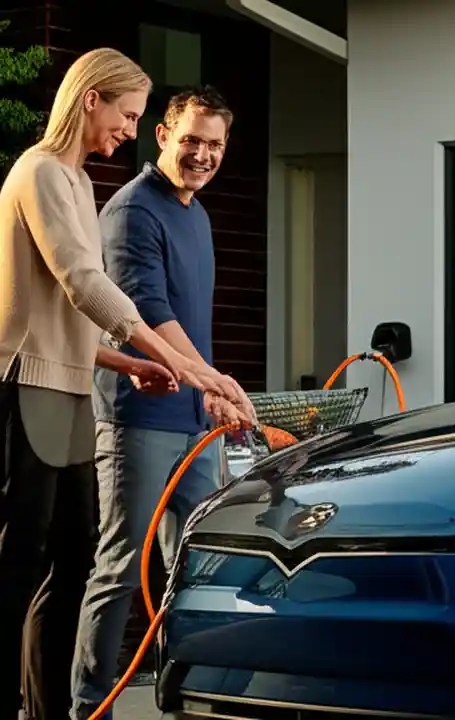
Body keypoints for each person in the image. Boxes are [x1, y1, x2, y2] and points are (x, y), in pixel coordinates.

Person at [0, 49, 251, 720]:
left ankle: (51, 707)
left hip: (78, 389)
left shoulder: (79, 184)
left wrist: (132, 364)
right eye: (129, 114)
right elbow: (87, 287)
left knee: (75, 560)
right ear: (91, 100)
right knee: (28, 564)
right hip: (30, 392)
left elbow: (77, 325)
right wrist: (197, 371)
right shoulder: (46, 175)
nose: (128, 129)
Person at [69, 85, 258, 720]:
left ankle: (184, 697)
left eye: (215, 144)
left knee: (194, 566)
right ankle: (88, 705)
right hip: (138, 417)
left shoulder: (196, 213)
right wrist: (215, 380)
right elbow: (148, 315)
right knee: (123, 564)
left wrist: (208, 393)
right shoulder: (131, 212)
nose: (203, 154)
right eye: (192, 141)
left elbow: (189, 323)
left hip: (192, 421)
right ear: (161, 137)